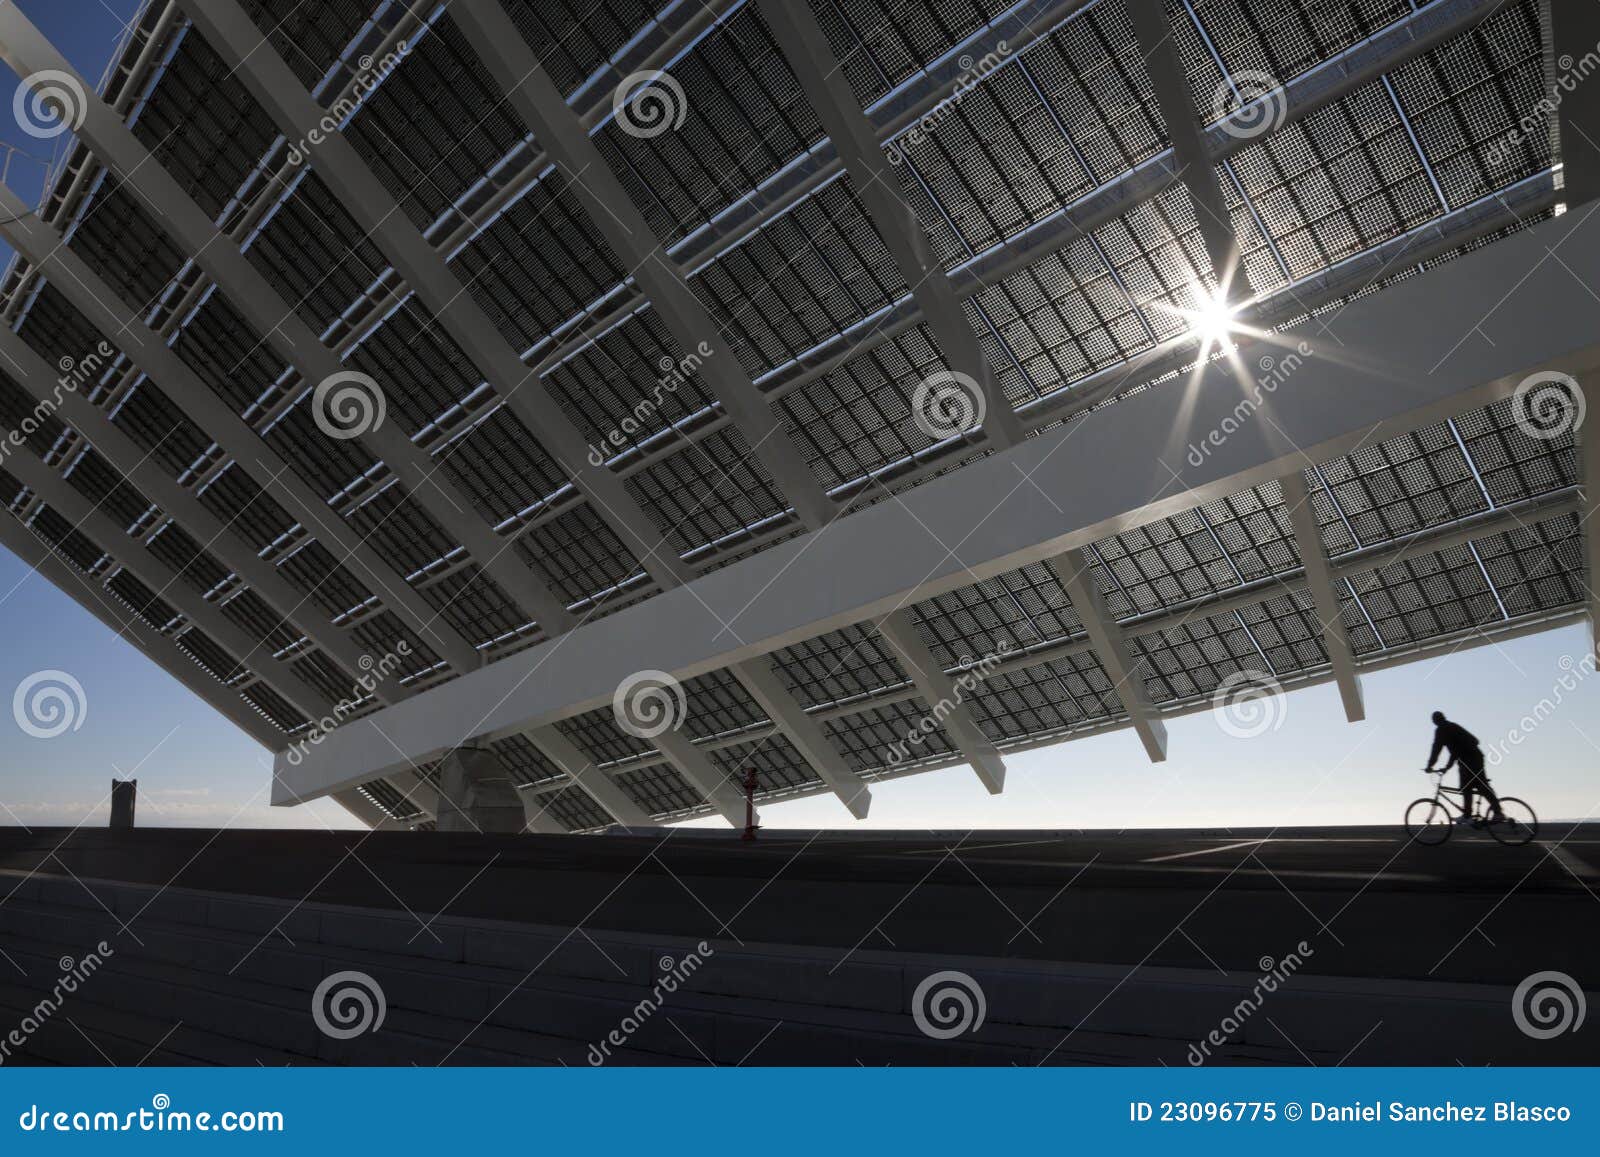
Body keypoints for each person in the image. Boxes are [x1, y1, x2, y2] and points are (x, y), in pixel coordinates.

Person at [1424, 711, 1504, 825]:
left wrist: (1430, 766)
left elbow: (1437, 750)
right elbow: (1461, 747)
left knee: (1470, 786)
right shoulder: (1453, 726)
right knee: (1473, 785)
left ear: (1435, 721)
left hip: (1469, 759)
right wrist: (1447, 766)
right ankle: (1481, 813)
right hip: (1473, 757)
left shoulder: (1442, 730)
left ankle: (1488, 814)